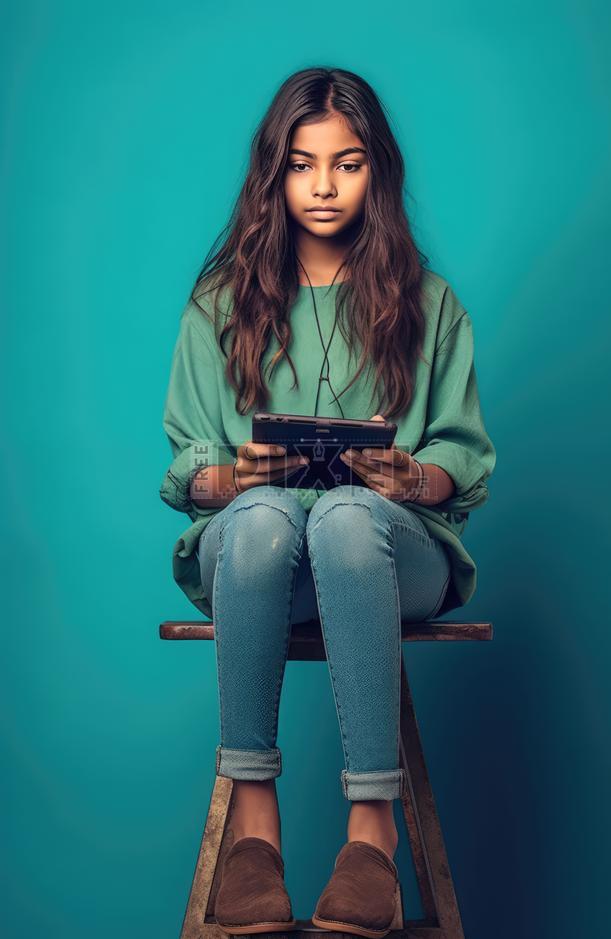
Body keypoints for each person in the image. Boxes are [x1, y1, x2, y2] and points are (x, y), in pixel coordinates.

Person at [159, 66, 496, 937]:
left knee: (349, 518)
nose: (321, 185)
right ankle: (254, 837)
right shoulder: (218, 305)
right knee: (266, 521)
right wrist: (233, 477)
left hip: (390, 556)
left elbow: (462, 451)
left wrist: (413, 477)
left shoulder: (430, 306)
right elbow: (185, 458)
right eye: (302, 164)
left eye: (346, 164)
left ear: (376, 173)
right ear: (273, 174)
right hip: (257, 563)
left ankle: (371, 844)